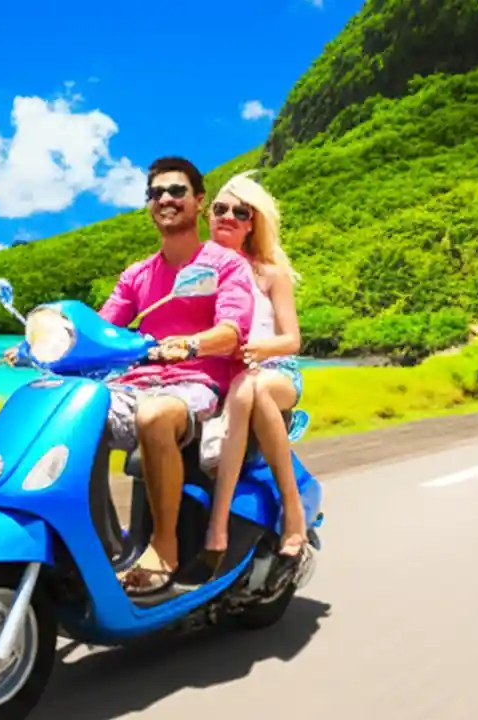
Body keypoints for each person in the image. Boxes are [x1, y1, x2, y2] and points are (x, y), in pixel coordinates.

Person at [1, 156, 256, 593]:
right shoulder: (137, 275)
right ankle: (95, 547)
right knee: (71, 412)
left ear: (198, 201)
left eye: (176, 191)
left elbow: (232, 332)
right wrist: (40, 344)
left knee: (154, 415)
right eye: (155, 194)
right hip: (134, 382)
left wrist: (189, 343)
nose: (165, 200)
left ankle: (165, 546)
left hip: (194, 384)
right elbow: (100, 330)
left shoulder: (225, 265)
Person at [200, 170, 307, 572]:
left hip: (275, 370)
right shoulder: (195, 270)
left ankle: (260, 516)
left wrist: (260, 349)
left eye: (240, 211)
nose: (228, 216)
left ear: (252, 223)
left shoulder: (269, 273)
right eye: (220, 208)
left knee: (254, 388)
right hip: (223, 376)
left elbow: (291, 339)